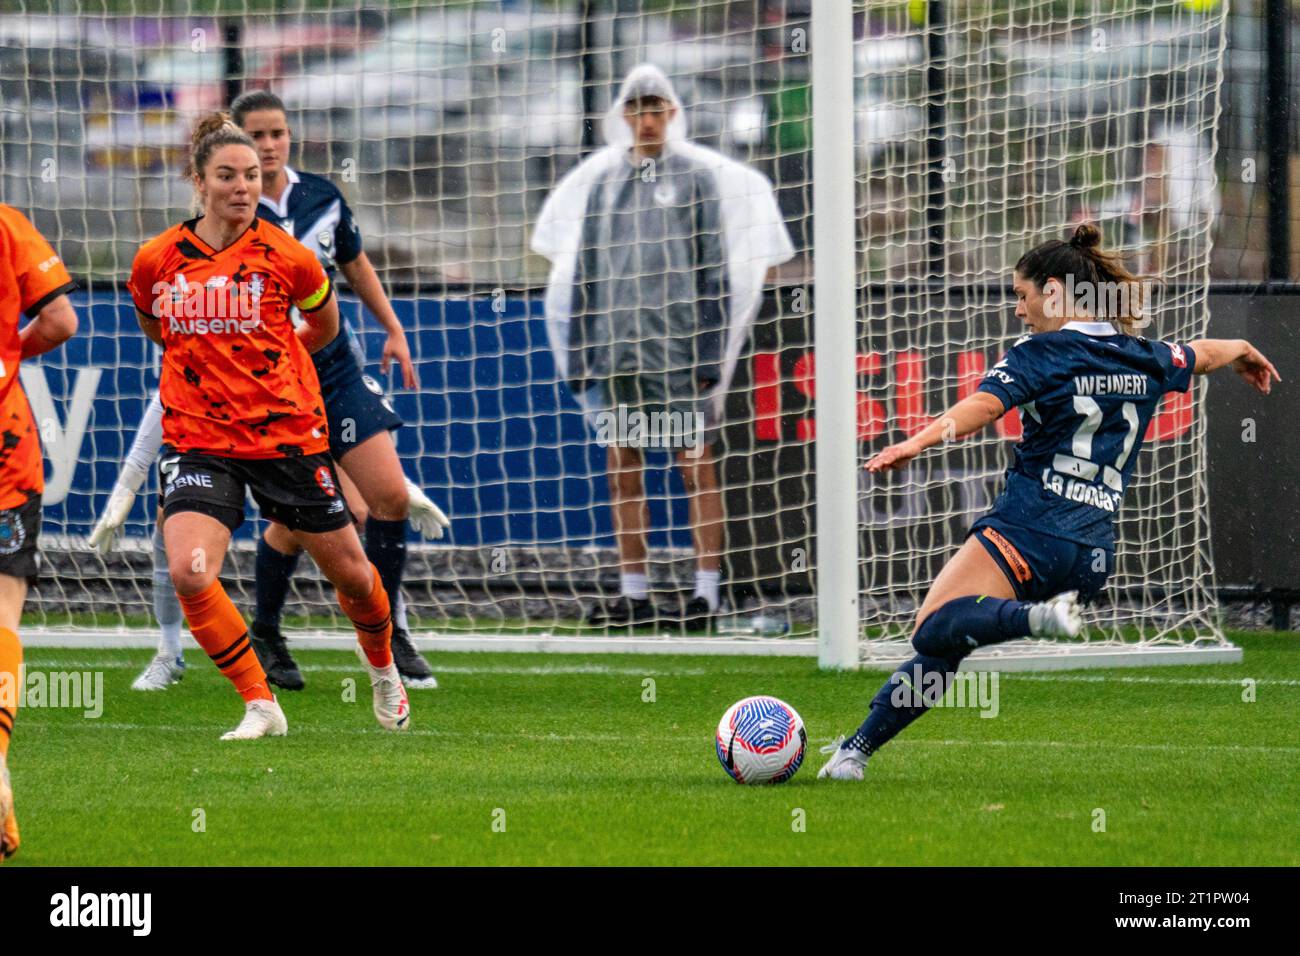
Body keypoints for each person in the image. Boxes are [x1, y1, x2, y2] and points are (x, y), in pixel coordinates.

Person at [818, 223, 1280, 781]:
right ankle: (854, 753)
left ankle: (1032, 617)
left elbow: (985, 407)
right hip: (1091, 556)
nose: (1018, 309)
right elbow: (1202, 353)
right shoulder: (1145, 355)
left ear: (1055, 291)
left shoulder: (1043, 352)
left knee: (932, 628)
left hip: (1028, 529)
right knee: (950, 643)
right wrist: (1244, 350)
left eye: (1022, 294)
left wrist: (915, 441)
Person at [92, 89, 449, 692]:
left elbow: (347, 284)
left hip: (313, 381)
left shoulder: (314, 208)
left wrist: (381, 330)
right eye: (250, 145)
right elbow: (160, 330)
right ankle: (232, 647)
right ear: (203, 178)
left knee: (374, 513)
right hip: (216, 416)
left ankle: (390, 638)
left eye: (274, 139)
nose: (264, 152)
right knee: (193, 550)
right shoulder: (167, 255)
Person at [532, 64, 793, 631]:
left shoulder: (697, 180)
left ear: (672, 113)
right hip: (619, 354)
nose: (647, 119)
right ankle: (635, 592)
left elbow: (713, 273)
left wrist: (707, 356)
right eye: (637, 108)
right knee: (623, 469)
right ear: (623, 116)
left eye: (657, 108)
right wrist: (581, 356)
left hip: (677, 355)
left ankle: (706, 595)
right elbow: (586, 275)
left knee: (694, 467)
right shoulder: (601, 187)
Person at [0, 203, 79, 860]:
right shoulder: (6, 224)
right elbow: (60, 319)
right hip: (7, 450)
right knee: (2, 619)